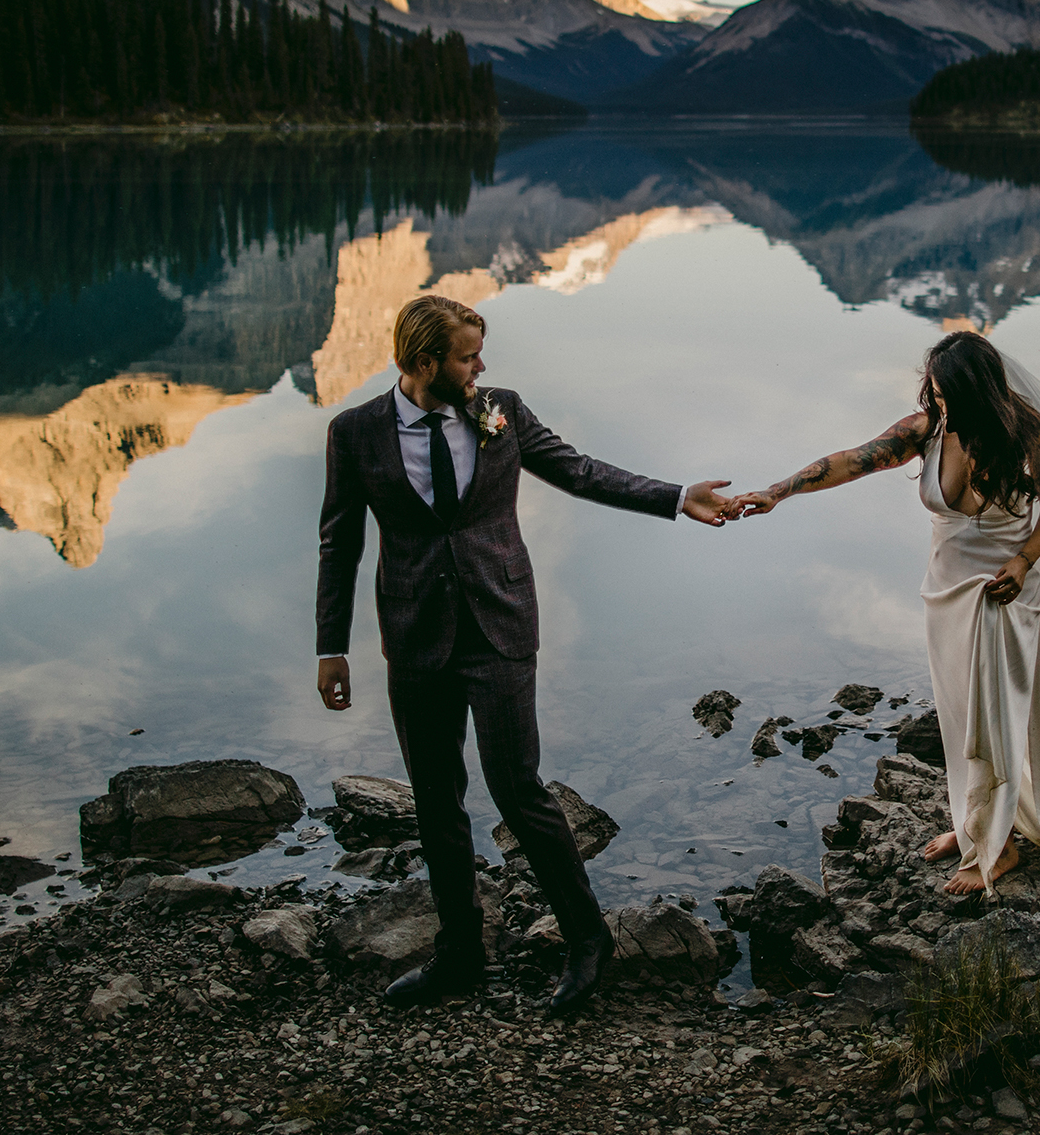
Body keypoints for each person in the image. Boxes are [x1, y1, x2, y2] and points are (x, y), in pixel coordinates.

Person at [314, 294, 738, 1017]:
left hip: (499, 624)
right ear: (425, 363)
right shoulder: (354, 432)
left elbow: (579, 471)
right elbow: (340, 541)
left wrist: (675, 498)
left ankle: (587, 939)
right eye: (467, 356)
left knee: (518, 789)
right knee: (435, 800)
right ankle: (459, 955)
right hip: (415, 637)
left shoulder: (500, 409)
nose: (481, 366)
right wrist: (331, 647)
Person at [736, 328, 1040, 930]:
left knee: (998, 715)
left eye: (947, 393)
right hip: (946, 593)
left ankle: (1000, 845)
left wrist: (1023, 561)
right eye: (934, 392)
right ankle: (974, 823)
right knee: (959, 714)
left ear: (978, 390)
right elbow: (850, 461)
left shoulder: (1028, 431)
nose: (938, 403)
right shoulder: (926, 431)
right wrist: (777, 492)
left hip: (1004, 591)